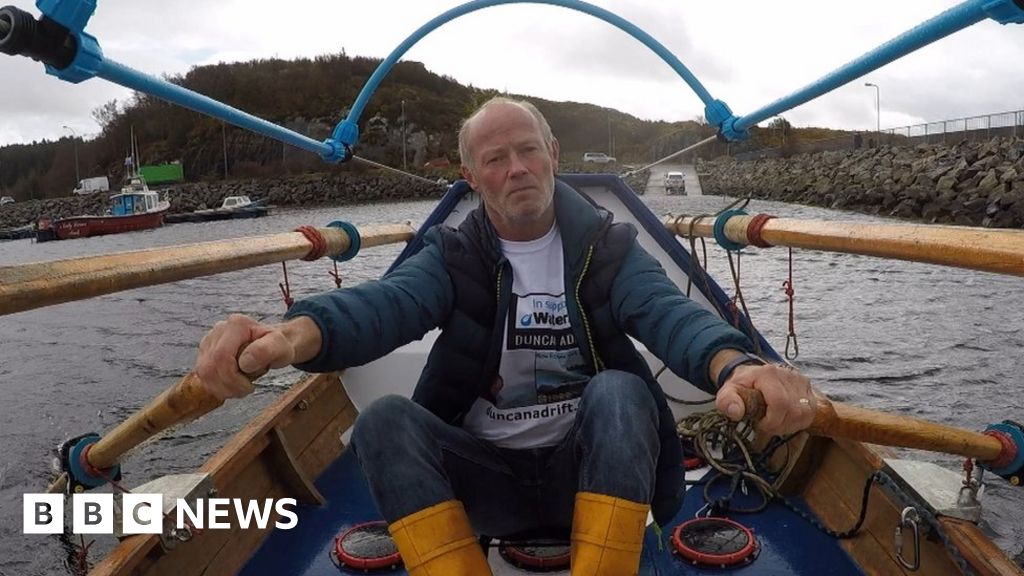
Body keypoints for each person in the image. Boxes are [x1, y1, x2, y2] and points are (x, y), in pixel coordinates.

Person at [194, 97, 815, 576]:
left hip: (592, 476)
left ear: (552, 152)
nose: (515, 168)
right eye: (495, 159)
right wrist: (288, 335)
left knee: (622, 393)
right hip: (484, 482)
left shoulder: (610, 247)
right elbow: (384, 305)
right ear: (471, 175)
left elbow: (667, 313)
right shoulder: (452, 255)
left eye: (527, 150)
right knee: (383, 420)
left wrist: (734, 365)